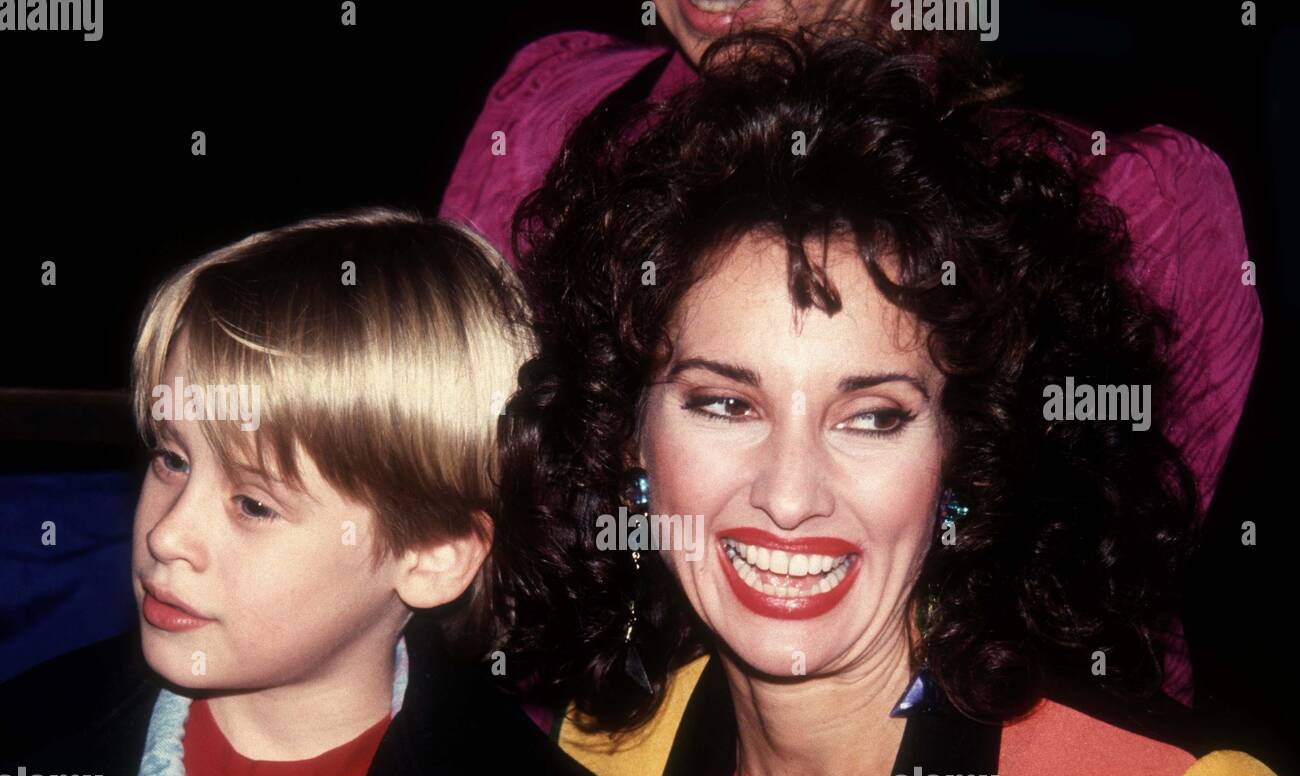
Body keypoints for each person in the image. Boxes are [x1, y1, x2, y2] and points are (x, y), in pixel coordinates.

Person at [496, 27, 1300, 776]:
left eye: (871, 416)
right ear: (625, 438)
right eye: (723, 403)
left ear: (968, 461)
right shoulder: (601, 771)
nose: (787, 496)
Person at [0, 209, 705, 776]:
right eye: (172, 458)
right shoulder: (28, 744)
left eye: (253, 502)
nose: (168, 534)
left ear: (434, 554)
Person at [439, 1, 1263, 706]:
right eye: (725, 400)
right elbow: (437, 503)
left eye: (872, 413)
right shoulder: (550, 112)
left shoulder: (1125, 204)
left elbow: (1093, 590)